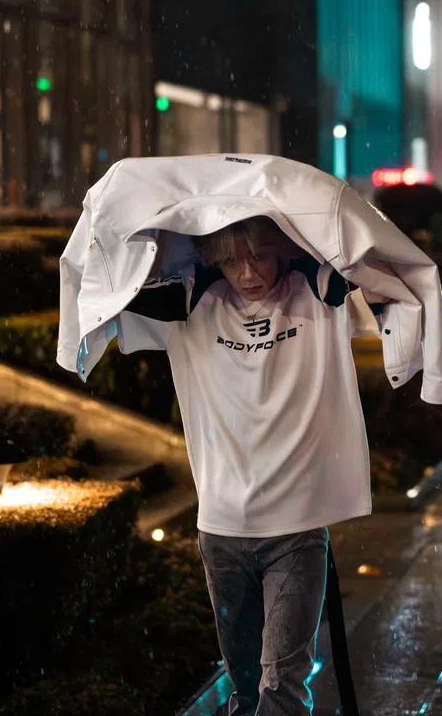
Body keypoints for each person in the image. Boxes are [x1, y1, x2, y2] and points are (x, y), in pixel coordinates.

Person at [123, 215, 388, 715]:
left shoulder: (314, 289)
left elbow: (365, 265)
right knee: (244, 690)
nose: (247, 272)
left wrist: (299, 236)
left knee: (282, 683)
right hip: (221, 528)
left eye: (259, 255)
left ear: (282, 249)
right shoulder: (194, 301)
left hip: (296, 527)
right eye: (231, 260)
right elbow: (117, 282)